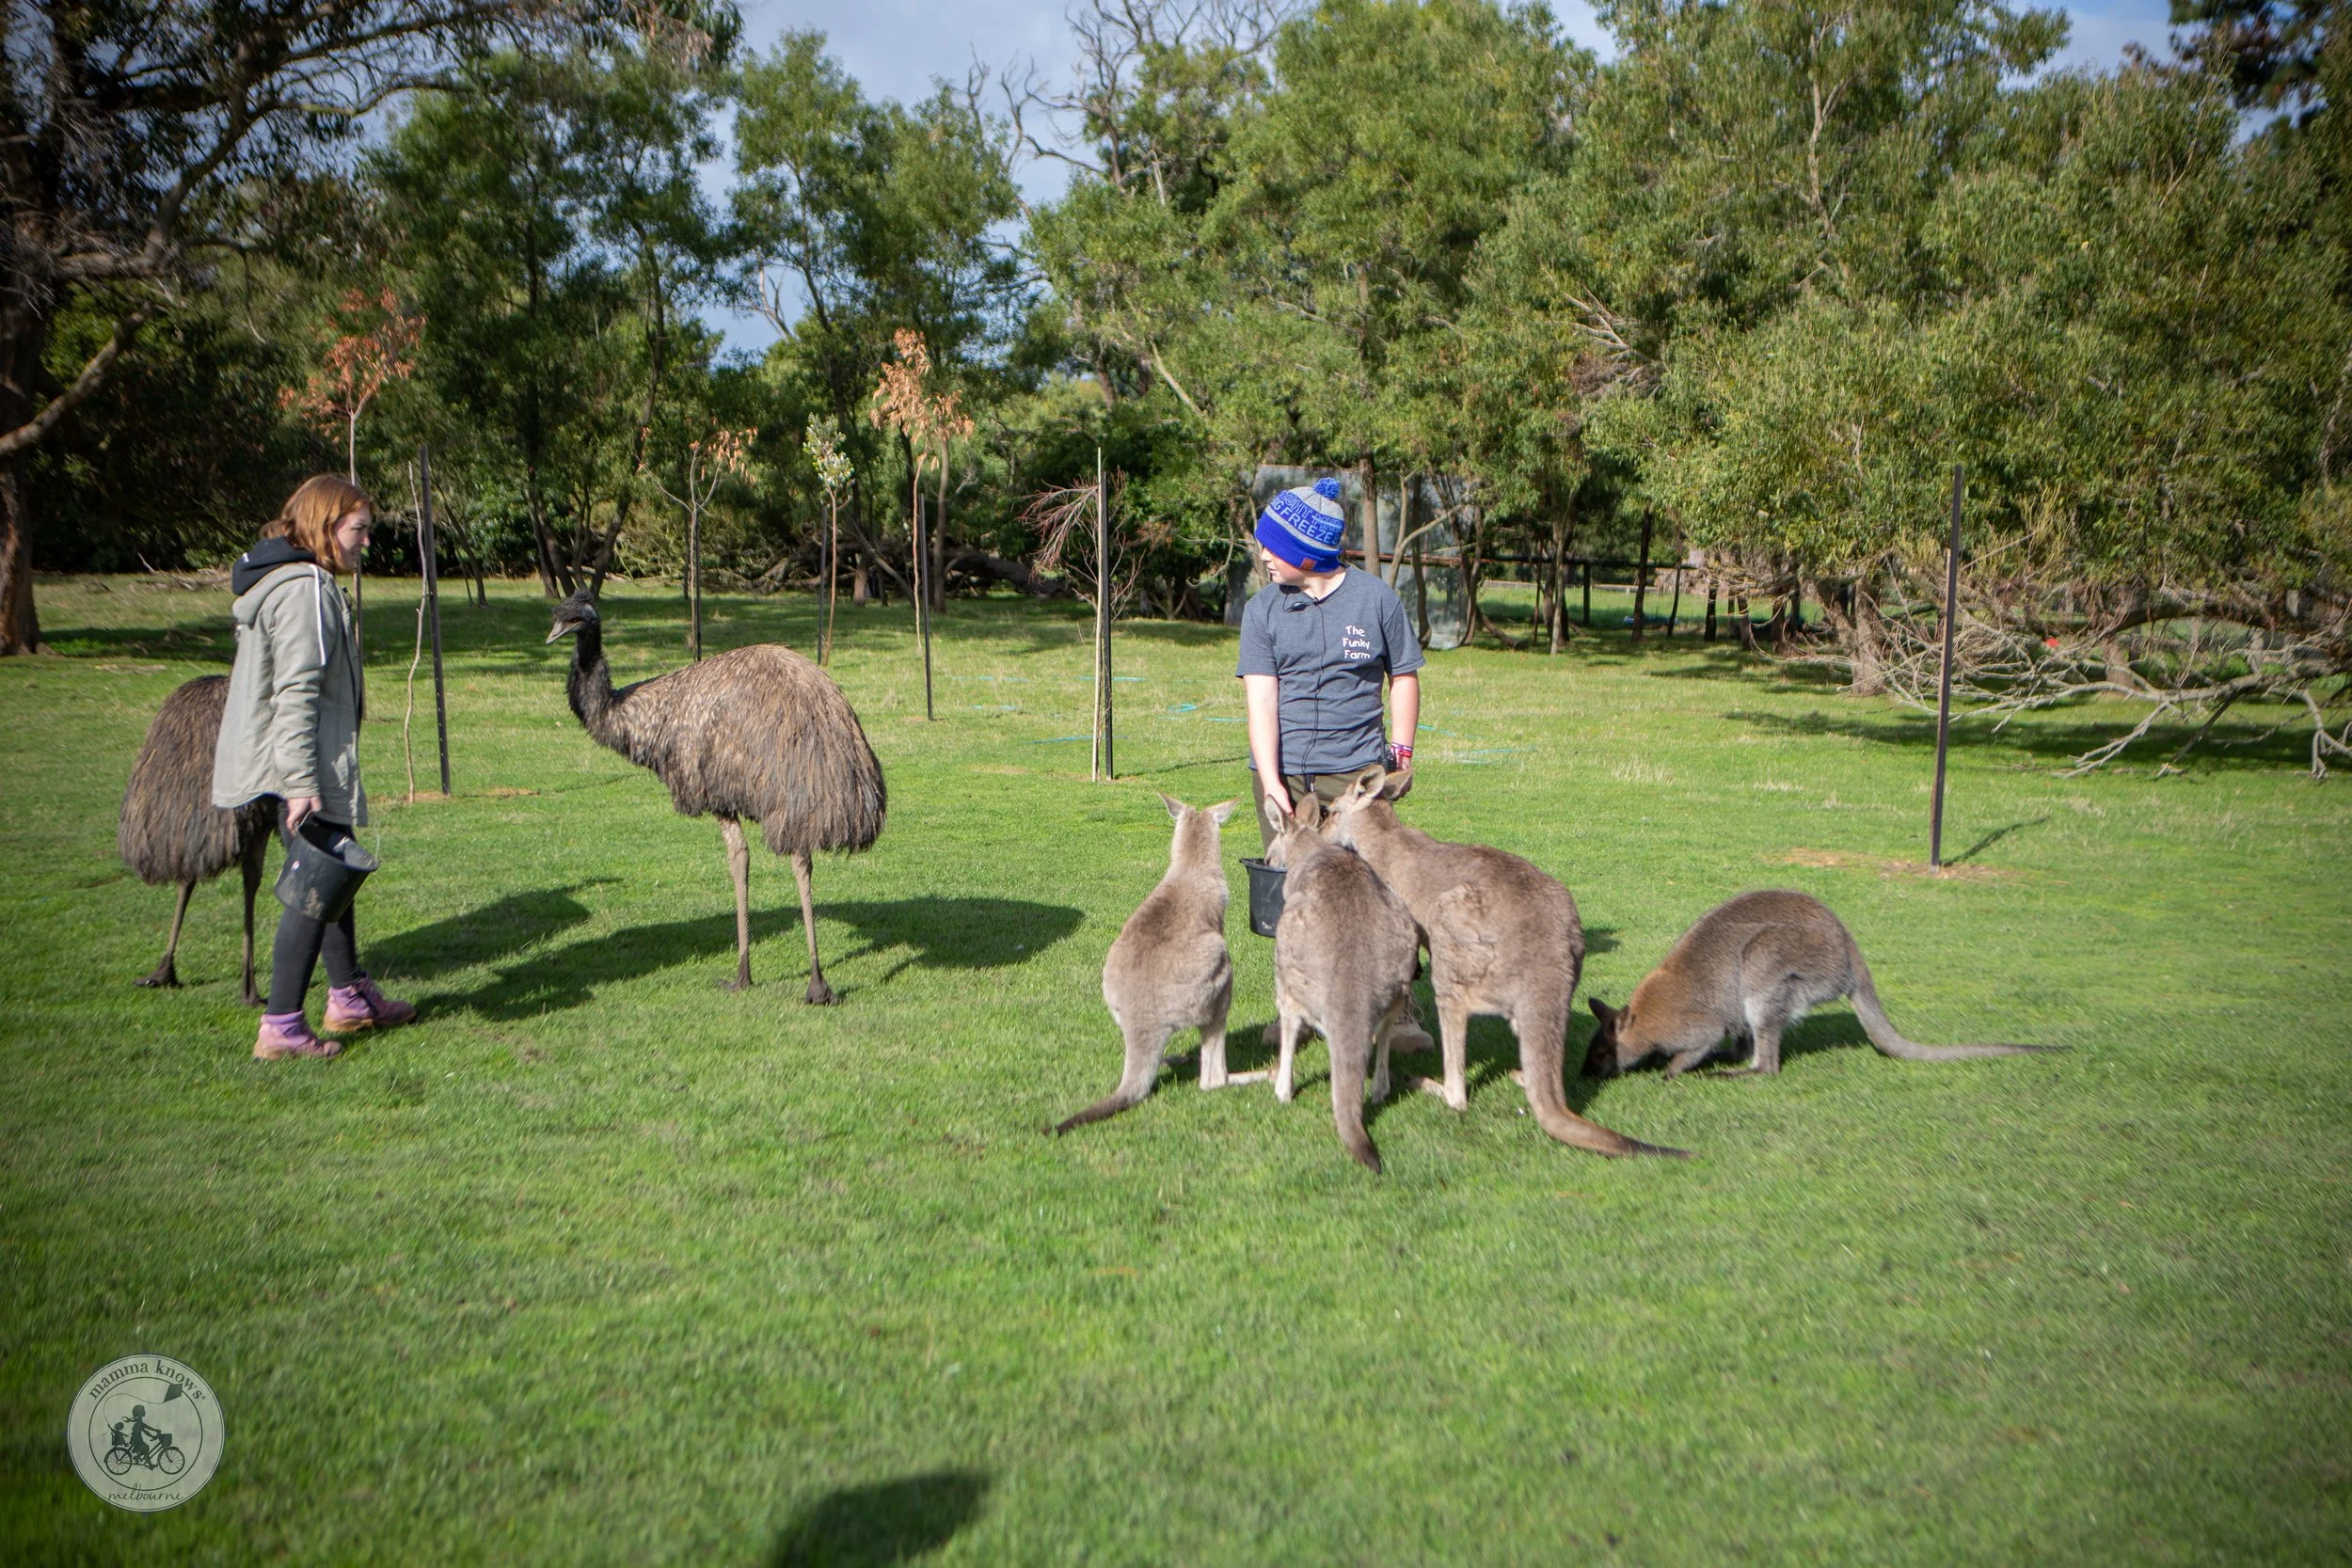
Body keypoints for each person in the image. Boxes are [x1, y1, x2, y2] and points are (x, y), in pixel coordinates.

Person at [213, 475, 416, 1061]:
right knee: (314, 884)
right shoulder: (303, 590)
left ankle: (349, 997)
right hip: (298, 766)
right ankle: (281, 1027)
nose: (367, 543)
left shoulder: (290, 581)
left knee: (334, 873)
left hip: (296, 761)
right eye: (359, 530)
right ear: (327, 527)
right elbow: (295, 693)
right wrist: (301, 784)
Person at [1235, 477, 1422, 850]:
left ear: (1306, 554)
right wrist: (1272, 783)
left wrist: (1401, 754)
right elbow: (1261, 703)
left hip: (1355, 777)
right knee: (1287, 892)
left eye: (1273, 548)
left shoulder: (1376, 600)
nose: (1264, 556)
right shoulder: (1261, 610)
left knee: (1355, 890)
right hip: (1283, 775)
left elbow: (1403, 675)